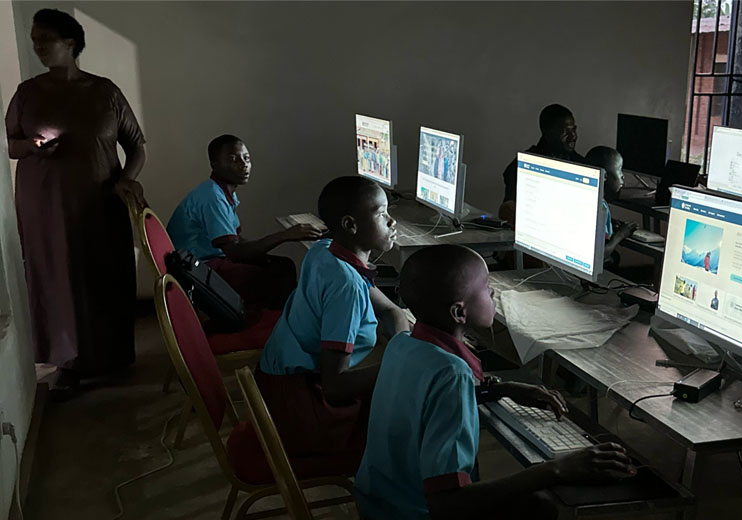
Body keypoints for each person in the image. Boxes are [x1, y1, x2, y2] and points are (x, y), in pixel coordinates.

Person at [355, 244, 633, 519]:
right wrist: (555, 469)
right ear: (459, 313)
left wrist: (502, 389)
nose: (493, 292)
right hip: (414, 514)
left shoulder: (402, 344)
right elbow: (446, 504)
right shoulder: (453, 373)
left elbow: (422, 396)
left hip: (375, 504)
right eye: (486, 286)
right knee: (541, 505)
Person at [5, 9, 147, 393]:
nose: (37, 47)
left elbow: (136, 146)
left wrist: (126, 180)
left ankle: (111, 355)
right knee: (57, 279)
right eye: (34, 40)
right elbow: (12, 144)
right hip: (45, 206)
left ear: (70, 43)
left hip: (98, 203)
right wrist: (33, 146)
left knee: (102, 274)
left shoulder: (104, 92)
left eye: (44, 40)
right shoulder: (28, 93)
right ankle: (67, 364)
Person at [255, 176, 410, 473]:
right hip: (302, 411)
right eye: (381, 214)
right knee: (411, 418)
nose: (392, 222)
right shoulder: (346, 286)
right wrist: (402, 364)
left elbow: (392, 311)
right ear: (351, 225)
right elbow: (335, 386)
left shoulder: (324, 249)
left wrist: (403, 348)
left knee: (399, 387)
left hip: (275, 387)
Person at [166, 134, 323, 309]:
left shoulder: (222, 192)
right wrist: (285, 235)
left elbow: (236, 241)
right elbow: (235, 252)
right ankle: (271, 324)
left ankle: (280, 321)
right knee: (276, 276)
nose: (243, 165)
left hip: (205, 261)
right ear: (215, 165)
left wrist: (272, 247)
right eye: (233, 159)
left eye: (246, 158)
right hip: (197, 269)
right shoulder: (213, 198)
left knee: (282, 265)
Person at [501, 104, 584, 202]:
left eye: (574, 129)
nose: (573, 136)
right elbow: (508, 211)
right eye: (565, 131)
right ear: (547, 132)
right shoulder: (521, 167)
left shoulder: (583, 166)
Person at [584, 146, 639, 261]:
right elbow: (601, 254)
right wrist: (621, 235)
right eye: (619, 170)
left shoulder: (587, 199)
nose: (623, 176)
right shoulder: (600, 206)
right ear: (604, 176)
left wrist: (609, 222)